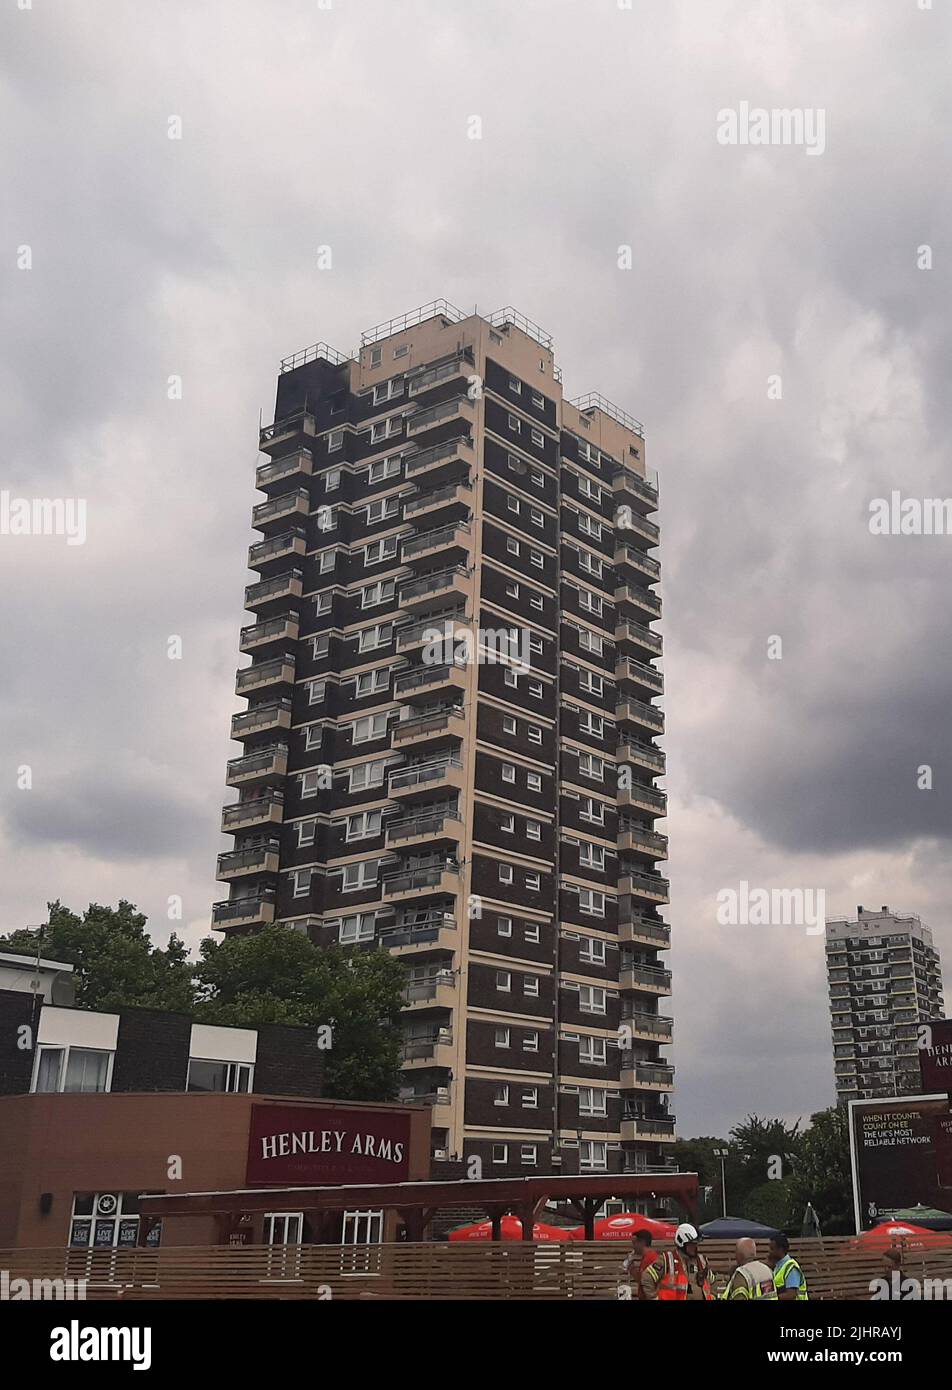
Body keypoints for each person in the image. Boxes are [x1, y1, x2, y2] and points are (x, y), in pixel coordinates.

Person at [622, 1228, 667, 1300]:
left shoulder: (651, 1258)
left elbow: (648, 1281)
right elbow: (641, 1279)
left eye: (634, 1243)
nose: (633, 1246)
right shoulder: (646, 1257)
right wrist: (631, 1267)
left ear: (642, 1242)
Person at [674, 1223, 715, 1300]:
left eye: (696, 1244)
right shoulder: (667, 1260)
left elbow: (712, 1281)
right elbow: (646, 1280)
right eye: (691, 1244)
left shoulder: (702, 1261)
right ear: (681, 1242)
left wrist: (712, 1296)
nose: (695, 1247)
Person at [768, 1231, 808, 1300]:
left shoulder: (791, 1268)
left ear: (780, 1250)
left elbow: (790, 1295)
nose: (769, 1251)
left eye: (772, 1249)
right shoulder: (778, 1266)